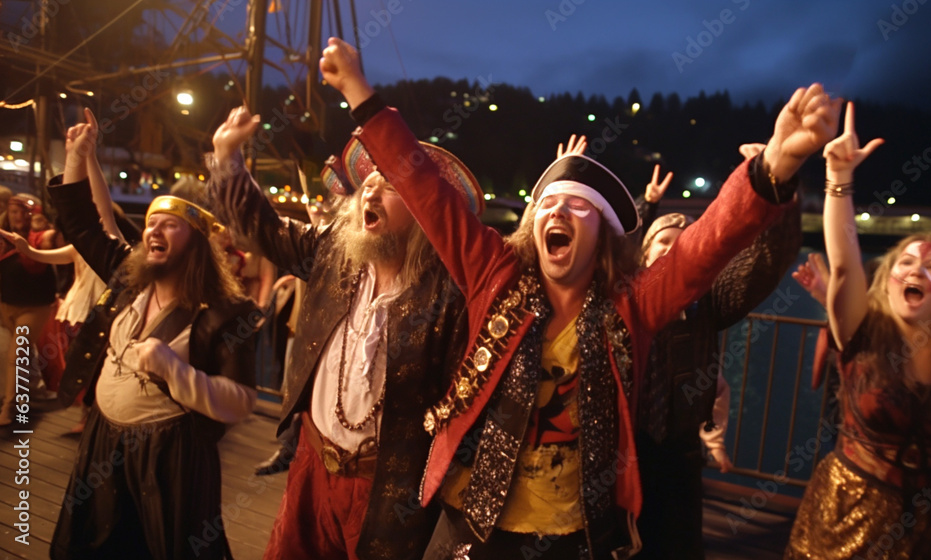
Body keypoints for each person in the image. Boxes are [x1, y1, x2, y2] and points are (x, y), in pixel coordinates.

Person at [318, 36, 840, 558]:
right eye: (548, 203)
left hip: (575, 535)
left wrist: (773, 166)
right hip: (476, 524)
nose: (558, 212)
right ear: (533, 223)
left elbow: (703, 248)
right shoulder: (492, 273)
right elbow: (428, 191)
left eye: (578, 206)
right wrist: (360, 94)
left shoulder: (630, 304)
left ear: (605, 238)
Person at [206, 102, 479, 560]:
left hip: (390, 490)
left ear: (424, 208)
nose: (369, 193)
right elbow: (264, 230)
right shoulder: (333, 252)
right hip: (312, 464)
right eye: (367, 183)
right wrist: (227, 157)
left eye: (389, 185)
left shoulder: (450, 297)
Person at [784, 102, 931, 559]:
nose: (916, 270)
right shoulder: (863, 332)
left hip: (927, 525)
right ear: (889, 278)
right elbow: (844, 265)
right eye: (906, 261)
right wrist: (839, 179)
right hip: (848, 513)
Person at [47, 110, 259, 559]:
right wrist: (76, 156)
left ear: (196, 245)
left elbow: (240, 400)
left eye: (169, 224)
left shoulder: (226, 312)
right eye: (150, 223)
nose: (152, 230)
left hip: (170, 456)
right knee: (94, 545)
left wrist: (173, 369)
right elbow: (84, 224)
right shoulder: (129, 278)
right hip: (103, 439)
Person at [634, 148, 802, 559]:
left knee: (676, 546)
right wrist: (647, 205)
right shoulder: (622, 299)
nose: (674, 250)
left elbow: (763, 263)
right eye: (663, 242)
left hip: (678, 456)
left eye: (684, 243)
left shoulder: (709, 303)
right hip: (622, 452)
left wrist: (778, 183)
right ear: (643, 254)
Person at [1, 192, 58, 425]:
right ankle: (33, 389)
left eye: (22, 212)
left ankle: (8, 408)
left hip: (35, 307)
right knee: (15, 354)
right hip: (5, 306)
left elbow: (55, 240)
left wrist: (41, 225)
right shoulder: (3, 236)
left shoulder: (41, 237)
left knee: (17, 354)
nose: (17, 217)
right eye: (13, 212)